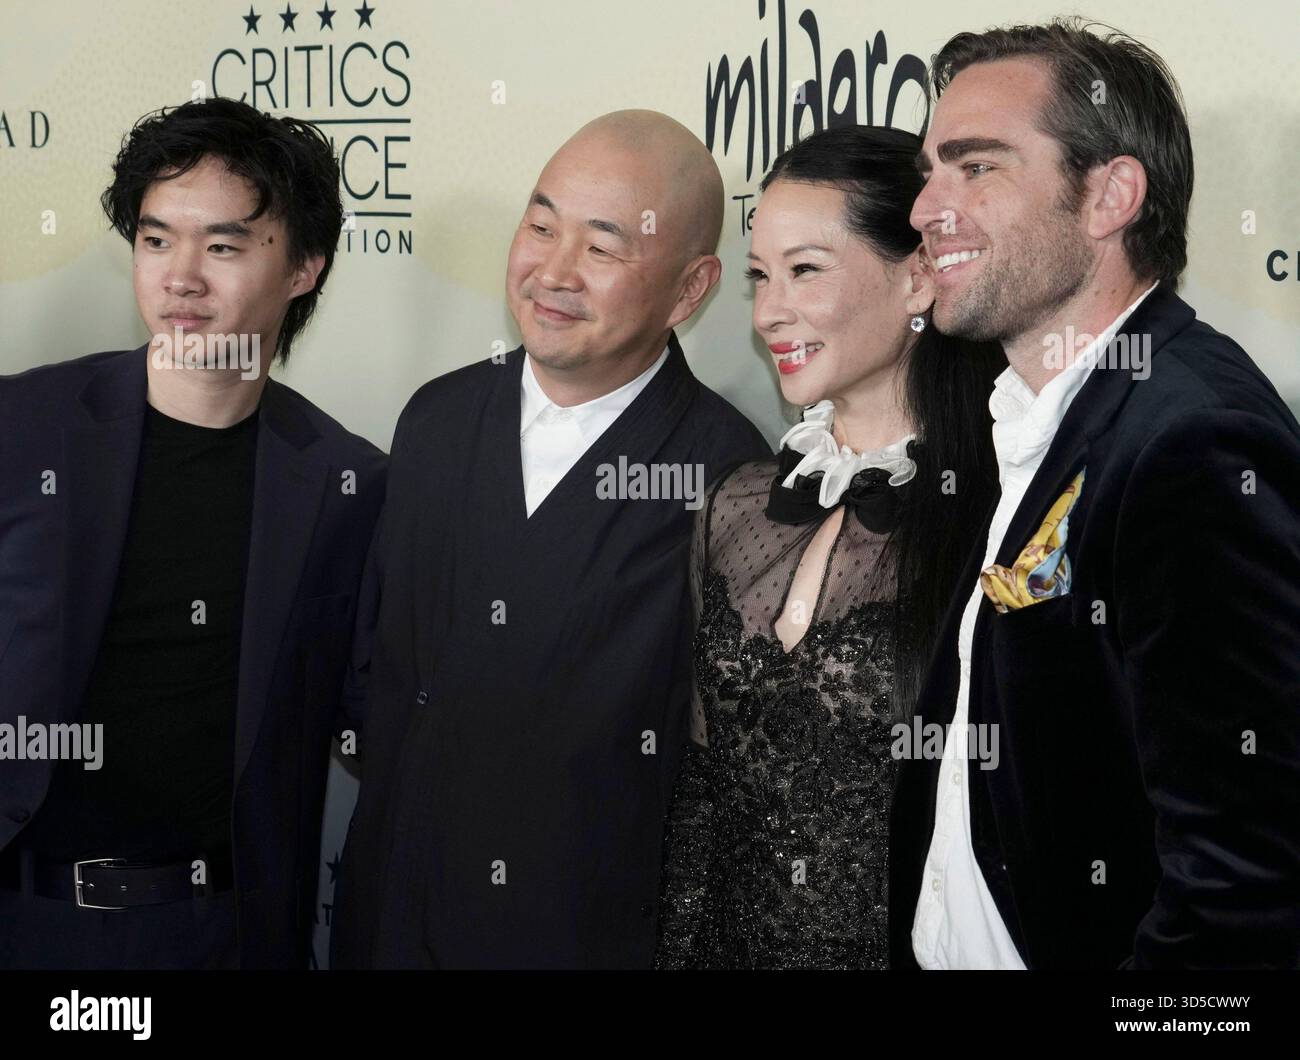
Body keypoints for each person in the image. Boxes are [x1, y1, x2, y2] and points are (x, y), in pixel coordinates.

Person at [892, 17, 1300, 969]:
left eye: (976, 167)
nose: (925, 210)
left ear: (1111, 193)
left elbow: (1252, 885)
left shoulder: (1194, 439)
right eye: (929, 172)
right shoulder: (1030, 417)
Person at [331, 110, 771, 969]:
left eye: (603, 249)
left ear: (691, 289)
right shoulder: (439, 418)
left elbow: (724, 780)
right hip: (391, 916)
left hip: (580, 934)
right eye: (540, 226)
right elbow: (373, 666)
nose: (553, 271)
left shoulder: (730, 478)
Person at [0, 98, 387, 969]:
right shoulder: (22, 428)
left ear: (304, 268)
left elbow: (385, 718)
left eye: (222, 246)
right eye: (154, 239)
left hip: (221, 934)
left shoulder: (347, 483)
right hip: (26, 921)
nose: (180, 277)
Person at [653, 126, 1004, 968]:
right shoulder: (733, 506)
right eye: (760, 277)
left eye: (806, 270)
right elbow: (701, 802)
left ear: (919, 276)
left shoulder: (998, 513)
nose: (771, 311)